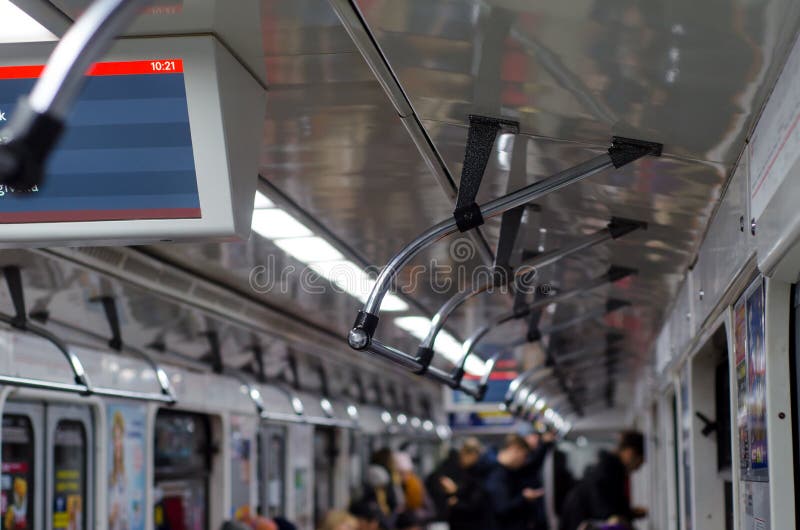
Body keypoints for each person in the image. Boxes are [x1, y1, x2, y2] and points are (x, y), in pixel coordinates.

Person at [559, 431, 648, 530]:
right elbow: (604, 508)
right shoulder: (609, 471)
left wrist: (629, 514)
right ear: (630, 453)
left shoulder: (610, 468)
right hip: (579, 518)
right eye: (639, 461)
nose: (638, 467)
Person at [425, 437, 491, 530]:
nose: (461, 459)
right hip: (456, 520)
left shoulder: (478, 473)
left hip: (470, 522)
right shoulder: (458, 469)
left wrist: (456, 495)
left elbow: (475, 502)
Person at [485, 434, 544, 530]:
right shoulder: (497, 475)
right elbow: (501, 508)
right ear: (515, 449)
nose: (524, 461)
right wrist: (523, 498)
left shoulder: (507, 472)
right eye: (524, 456)